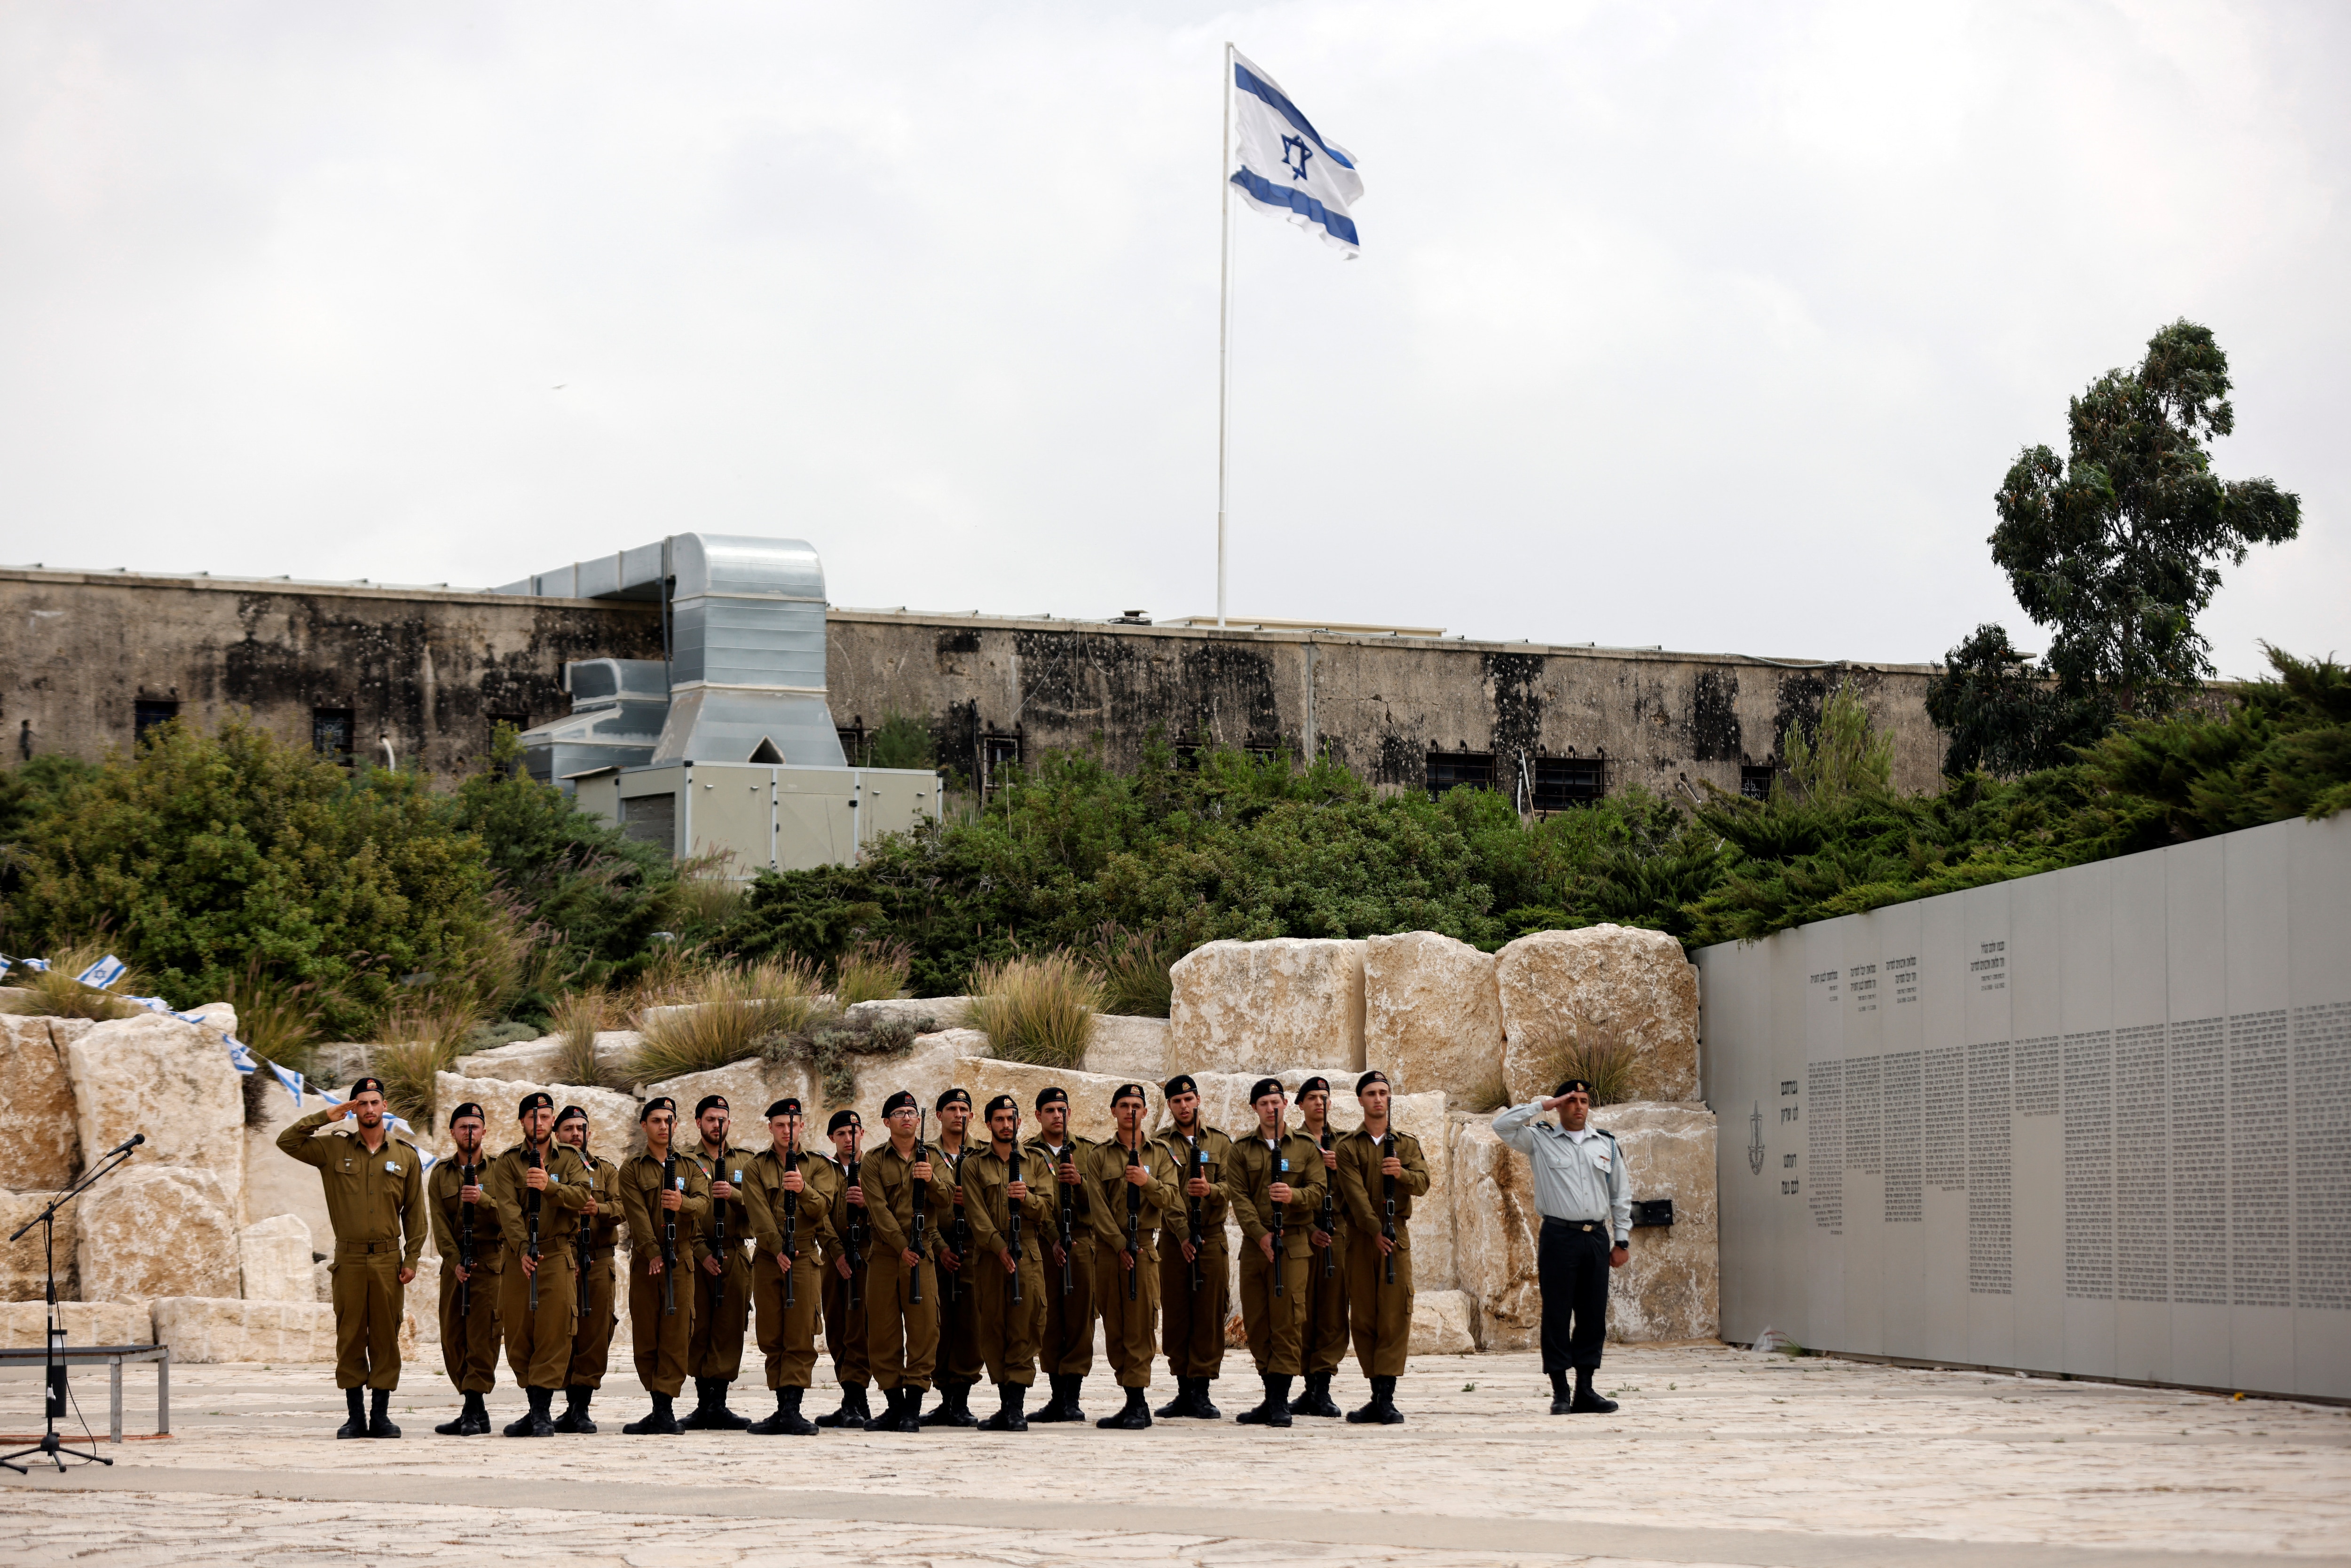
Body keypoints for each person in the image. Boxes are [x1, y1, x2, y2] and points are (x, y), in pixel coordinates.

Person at [275, 1076, 426, 1439]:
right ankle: (355, 1416)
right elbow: (288, 1141)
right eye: (362, 1103)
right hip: (350, 1260)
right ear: (354, 1108)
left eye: (375, 1102)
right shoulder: (332, 1148)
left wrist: (413, 1257)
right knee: (351, 1334)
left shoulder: (405, 1155)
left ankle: (382, 1416)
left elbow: (416, 1214)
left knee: (387, 1337)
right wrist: (326, 1116)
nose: (369, 1109)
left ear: (384, 1106)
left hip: (389, 1260)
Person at [1491, 1078, 1631, 1415]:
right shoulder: (1540, 1139)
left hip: (1596, 1237)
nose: (1579, 1106)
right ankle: (1560, 1392)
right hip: (1559, 1236)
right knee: (1557, 1313)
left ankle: (1585, 1389)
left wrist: (1622, 1239)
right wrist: (1543, 1105)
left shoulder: (1606, 1143)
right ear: (1560, 1105)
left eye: (1583, 1100)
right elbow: (1501, 1126)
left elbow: (1620, 1194)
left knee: (1592, 1314)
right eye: (1571, 1100)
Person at [483, 1091, 593, 1437]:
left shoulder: (571, 1158)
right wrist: (520, 1249)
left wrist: (549, 1186)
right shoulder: (506, 1162)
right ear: (522, 1122)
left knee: (554, 1329)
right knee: (519, 1331)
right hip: (520, 1257)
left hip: (557, 1252)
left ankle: (542, 1411)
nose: (540, 1122)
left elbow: (581, 1196)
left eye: (546, 1116)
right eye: (533, 1117)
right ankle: (534, 1409)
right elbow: (507, 1209)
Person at [1226, 1077, 1325, 1428]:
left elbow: (1318, 1190)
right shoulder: (1241, 1150)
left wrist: (1293, 1197)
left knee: (1287, 1321)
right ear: (1255, 1108)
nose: (1272, 1108)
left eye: (1277, 1102)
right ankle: (1270, 1396)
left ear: (1285, 1103)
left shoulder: (1305, 1148)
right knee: (1258, 1322)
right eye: (1264, 1103)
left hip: (1294, 1244)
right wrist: (1261, 1236)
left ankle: (1280, 1400)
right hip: (1256, 1248)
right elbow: (1239, 1198)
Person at [1334, 1070, 1428, 1425]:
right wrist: (1374, 1229)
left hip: (1396, 1235)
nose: (1378, 1099)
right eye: (1371, 1093)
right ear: (1361, 1100)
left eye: (1384, 1093)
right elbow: (1354, 1196)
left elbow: (1423, 1181)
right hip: (1361, 1238)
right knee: (1365, 1316)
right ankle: (1375, 1393)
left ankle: (1386, 1397)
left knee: (1394, 1314)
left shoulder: (1405, 1144)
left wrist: (1400, 1173)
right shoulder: (1348, 1146)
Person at [857, 1089, 952, 1432]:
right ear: (887, 1122)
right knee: (883, 1332)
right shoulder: (873, 1159)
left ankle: (913, 1407)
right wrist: (900, 1246)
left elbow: (946, 1199)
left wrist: (931, 1179)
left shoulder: (933, 1157)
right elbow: (878, 1209)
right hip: (886, 1253)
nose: (908, 1117)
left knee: (925, 1328)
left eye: (911, 1112)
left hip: (922, 1249)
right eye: (899, 1113)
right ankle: (894, 1407)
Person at [1085, 1083, 1179, 1429]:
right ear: (1113, 1111)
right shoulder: (1099, 1156)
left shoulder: (1160, 1153)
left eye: (1137, 1105)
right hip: (1111, 1251)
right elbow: (1097, 1205)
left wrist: (1145, 1181)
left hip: (1144, 1248)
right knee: (1115, 1326)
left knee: (1141, 1326)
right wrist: (1117, 1243)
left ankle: (1139, 1404)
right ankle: (1129, 1398)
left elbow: (1170, 1198)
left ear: (1146, 1111)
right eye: (1124, 1105)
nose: (1130, 1111)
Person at [616, 1095, 711, 1434]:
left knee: (677, 1329)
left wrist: (681, 1202)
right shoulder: (632, 1168)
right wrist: (653, 1251)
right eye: (656, 1120)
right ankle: (656, 1403)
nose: (663, 1126)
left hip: (682, 1257)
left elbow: (703, 1202)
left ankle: (667, 1405)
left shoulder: (689, 1165)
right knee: (647, 1330)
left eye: (669, 1120)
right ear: (645, 1125)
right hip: (647, 1260)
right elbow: (637, 1214)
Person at [961, 1094, 1052, 1430]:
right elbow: (976, 1214)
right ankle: (1004, 1402)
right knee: (993, 1327)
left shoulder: (1036, 1161)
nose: (1005, 1125)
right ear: (987, 1124)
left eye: (1010, 1119)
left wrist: (1025, 1197)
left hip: (1026, 1251)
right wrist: (998, 1247)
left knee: (1025, 1325)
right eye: (998, 1119)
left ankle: (1016, 1406)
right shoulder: (973, 1164)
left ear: (1019, 1122)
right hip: (990, 1255)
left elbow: (1047, 1208)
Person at [742, 1096, 831, 1436]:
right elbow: (758, 1213)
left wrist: (803, 1189)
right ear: (770, 1128)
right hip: (768, 1258)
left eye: (792, 1124)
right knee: (772, 1332)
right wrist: (777, 1248)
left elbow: (823, 1207)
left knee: (800, 1331)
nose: (786, 1130)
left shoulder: (819, 1165)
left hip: (805, 1256)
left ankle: (793, 1407)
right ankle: (781, 1407)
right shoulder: (755, 1167)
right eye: (780, 1124)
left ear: (802, 1126)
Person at [1153, 1073, 1234, 1420]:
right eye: (1176, 1101)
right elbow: (1161, 1191)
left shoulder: (1220, 1142)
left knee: (1209, 1312)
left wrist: (1211, 1192)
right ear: (1170, 1105)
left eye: (1189, 1099)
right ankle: (1183, 1389)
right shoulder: (1159, 1144)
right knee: (1177, 1312)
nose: (1184, 1106)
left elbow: (1234, 1186)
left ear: (1198, 1099)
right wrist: (1184, 1232)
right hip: (1174, 1238)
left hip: (1212, 1237)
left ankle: (1202, 1391)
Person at [426, 1101, 500, 1436]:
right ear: (453, 1131)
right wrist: (454, 1261)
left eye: (475, 1126)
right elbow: (439, 1225)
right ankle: (476, 1408)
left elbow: (511, 1217)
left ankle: (472, 1409)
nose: (469, 1132)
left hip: (489, 1262)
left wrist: (482, 1199)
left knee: (483, 1336)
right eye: (463, 1126)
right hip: (455, 1264)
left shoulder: (500, 1170)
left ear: (484, 1131)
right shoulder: (441, 1173)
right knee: (453, 1337)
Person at [682, 1094, 756, 1430]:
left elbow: (762, 1207)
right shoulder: (683, 1161)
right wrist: (700, 1252)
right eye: (711, 1119)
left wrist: (735, 1195)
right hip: (696, 1254)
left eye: (722, 1118)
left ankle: (720, 1402)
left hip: (735, 1251)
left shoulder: (747, 1161)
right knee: (698, 1327)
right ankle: (702, 1402)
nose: (717, 1125)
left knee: (729, 1326)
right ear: (698, 1122)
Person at [1023, 1085, 1095, 1423]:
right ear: (1038, 1115)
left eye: (1062, 1109)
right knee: (1048, 1320)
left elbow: (1102, 1206)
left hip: (1080, 1241)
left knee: (1080, 1319)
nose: (1057, 1115)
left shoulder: (1089, 1151)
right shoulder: (1026, 1154)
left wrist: (1080, 1183)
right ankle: (1056, 1395)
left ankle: (1073, 1397)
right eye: (1050, 1110)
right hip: (1041, 1244)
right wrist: (1052, 1237)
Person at [554, 1103, 625, 1433]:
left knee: (596, 1331)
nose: (575, 1134)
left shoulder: (605, 1169)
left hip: (598, 1258)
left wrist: (600, 1208)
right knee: (561, 1331)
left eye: (581, 1128)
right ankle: (562, 1403)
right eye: (568, 1128)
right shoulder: (549, 1169)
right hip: (562, 1259)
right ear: (557, 1134)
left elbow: (623, 1207)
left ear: (589, 1133)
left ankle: (580, 1406)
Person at [1289, 1075, 1349, 1418]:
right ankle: (1303, 1382)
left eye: (1324, 1097)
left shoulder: (1343, 1142)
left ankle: (1321, 1386)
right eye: (1312, 1097)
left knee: (1332, 1309)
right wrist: (1309, 1227)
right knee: (1302, 1309)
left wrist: (1338, 1169)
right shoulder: (1292, 1142)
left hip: (1337, 1231)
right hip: (1302, 1232)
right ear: (1300, 1104)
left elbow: (1358, 1187)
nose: (1319, 1103)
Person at [923, 1086, 981, 1427]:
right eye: (952, 1108)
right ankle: (943, 1396)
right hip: (936, 1247)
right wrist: (940, 1248)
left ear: (972, 1116)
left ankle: (961, 1398)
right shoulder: (927, 1155)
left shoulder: (983, 1154)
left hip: (973, 1247)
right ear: (940, 1115)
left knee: (969, 1324)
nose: (959, 1114)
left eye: (964, 1109)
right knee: (938, 1325)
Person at [813, 1108, 871, 1428]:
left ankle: (854, 1399)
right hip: (834, 1259)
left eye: (854, 1132)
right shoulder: (824, 1169)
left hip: (866, 1255)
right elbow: (818, 1214)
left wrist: (866, 1205)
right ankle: (854, 1400)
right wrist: (835, 1252)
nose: (849, 1139)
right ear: (832, 1138)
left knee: (860, 1330)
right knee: (836, 1329)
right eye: (843, 1134)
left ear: (863, 1133)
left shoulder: (873, 1166)